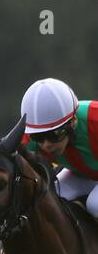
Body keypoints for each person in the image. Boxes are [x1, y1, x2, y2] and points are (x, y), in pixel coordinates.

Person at [19, 77, 98, 217]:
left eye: (55, 134)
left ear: (73, 122)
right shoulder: (29, 141)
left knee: (95, 204)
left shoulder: (94, 119)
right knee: (47, 200)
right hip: (83, 174)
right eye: (39, 137)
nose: (46, 145)